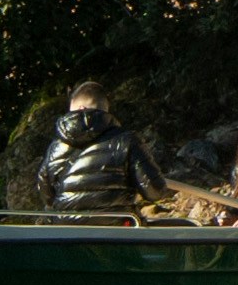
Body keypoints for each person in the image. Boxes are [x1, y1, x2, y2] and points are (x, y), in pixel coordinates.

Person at [36, 84, 167, 216]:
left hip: (67, 228)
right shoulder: (127, 140)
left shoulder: (55, 148)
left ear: (80, 108)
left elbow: (47, 196)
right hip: (117, 226)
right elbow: (155, 191)